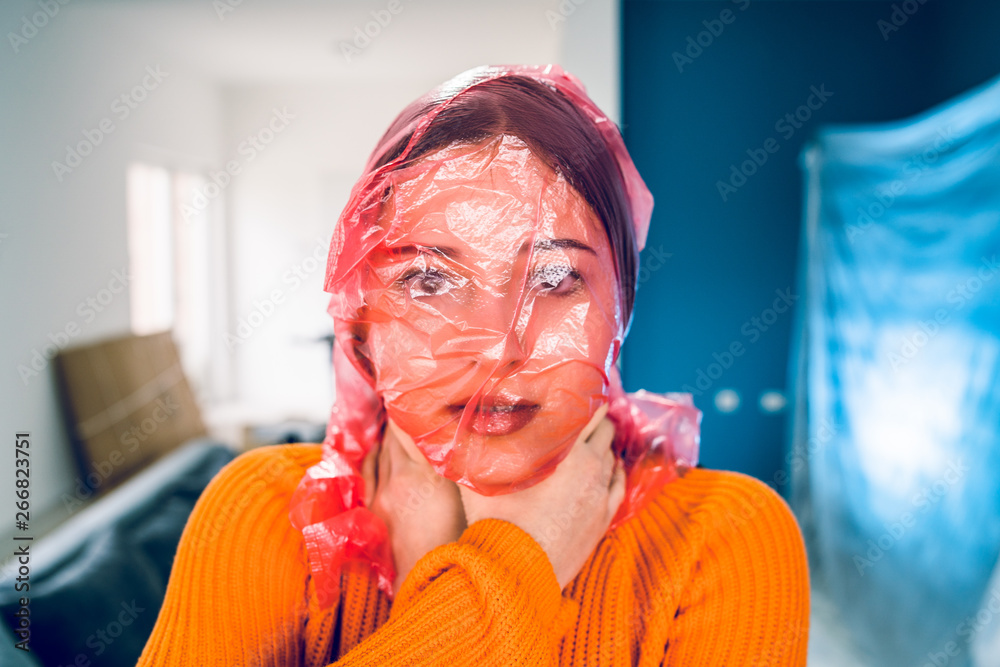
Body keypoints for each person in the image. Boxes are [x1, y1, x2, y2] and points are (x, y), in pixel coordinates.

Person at [138, 65, 810, 666]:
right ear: (361, 319)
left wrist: (459, 576)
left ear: (620, 306)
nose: (495, 345)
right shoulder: (266, 515)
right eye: (428, 280)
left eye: (552, 278)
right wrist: (519, 565)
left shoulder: (723, 541)